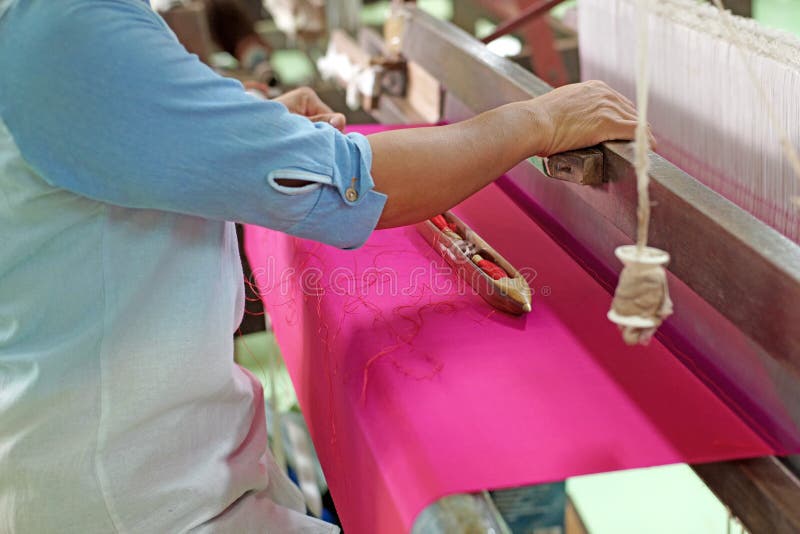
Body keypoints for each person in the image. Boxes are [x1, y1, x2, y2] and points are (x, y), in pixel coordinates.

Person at [0, 1, 644, 532]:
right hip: (133, 501)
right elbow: (359, 184)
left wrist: (248, 120)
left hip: (140, 464)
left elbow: (125, 122)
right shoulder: (62, 25)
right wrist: (536, 121)